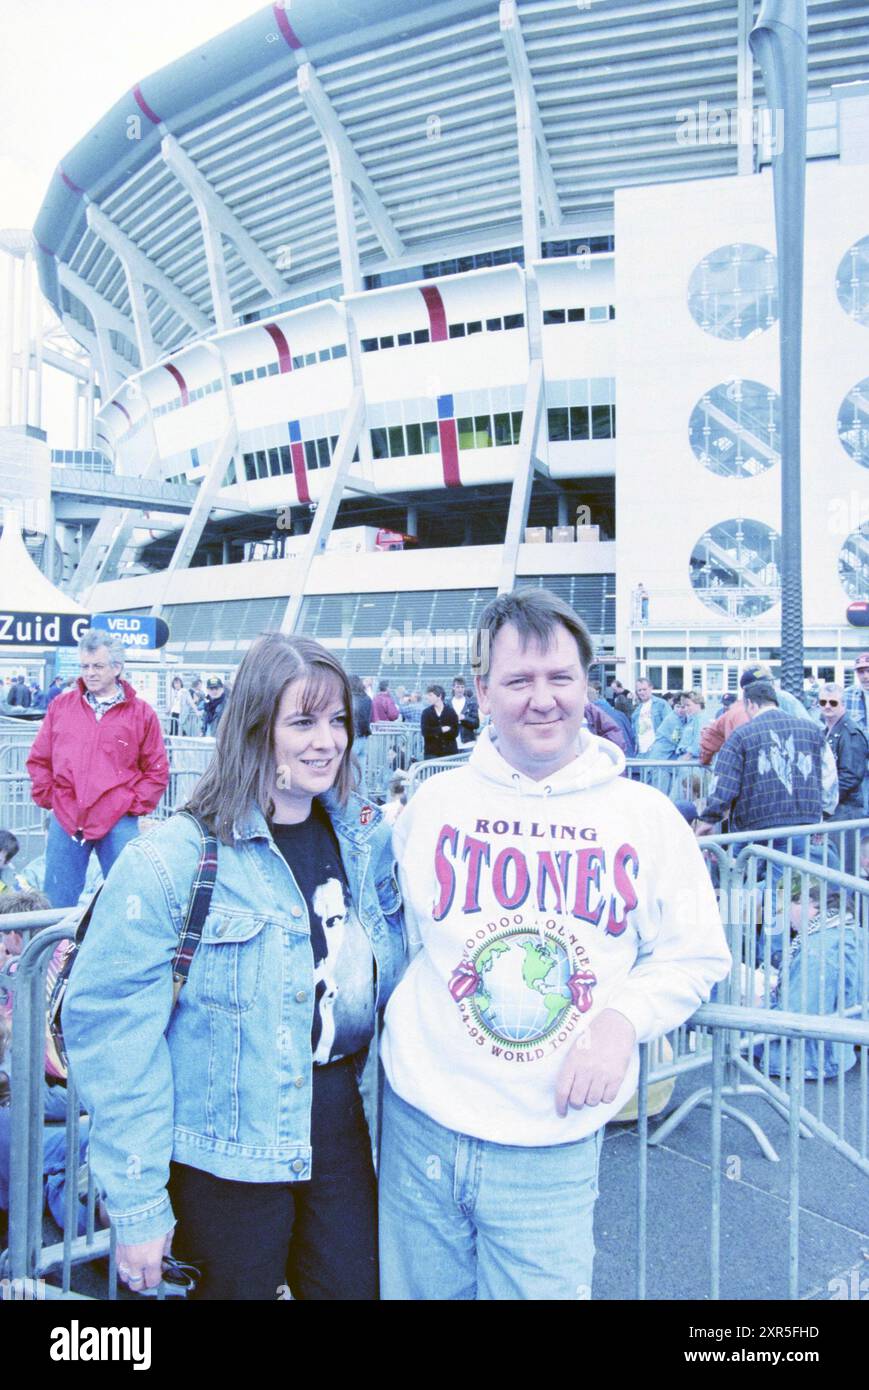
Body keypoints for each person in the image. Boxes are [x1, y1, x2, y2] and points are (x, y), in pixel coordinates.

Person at [378, 587, 730, 1300]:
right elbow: (401, 943)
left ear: (586, 685)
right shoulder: (434, 805)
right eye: (518, 681)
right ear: (482, 691)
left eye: (560, 677)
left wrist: (621, 1020)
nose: (542, 700)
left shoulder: (644, 816)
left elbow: (695, 954)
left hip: (549, 1148)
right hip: (419, 1131)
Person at [62, 633, 406, 1300]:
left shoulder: (370, 844)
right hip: (221, 1156)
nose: (327, 742)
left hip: (344, 1137)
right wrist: (138, 1204)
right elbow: (116, 1041)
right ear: (255, 727)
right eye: (302, 722)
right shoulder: (174, 859)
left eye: (337, 720)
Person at [25, 630, 169, 909]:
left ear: (117, 668)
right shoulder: (61, 707)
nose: (90, 673)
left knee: (127, 897)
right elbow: (39, 758)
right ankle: (56, 940)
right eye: (85, 666)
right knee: (57, 900)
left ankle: (122, 940)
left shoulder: (141, 713)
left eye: (98, 666)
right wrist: (50, 797)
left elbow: (157, 768)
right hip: (66, 815)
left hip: (118, 817)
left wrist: (132, 805)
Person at [694, 681, 835, 843]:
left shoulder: (741, 735)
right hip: (804, 823)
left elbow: (724, 783)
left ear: (750, 704)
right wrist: (824, 814)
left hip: (756, 826)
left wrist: (710, 818)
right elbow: (829, 777)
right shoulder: (812, 730)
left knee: (753, 860)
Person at [700, 665, 813, 766]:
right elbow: (809, 730)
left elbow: (710, 737)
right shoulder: (740, 709)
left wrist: (705, 760)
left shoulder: (782, 699)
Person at [818, 682, 868, 875]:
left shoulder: (850, 732)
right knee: (833, 864)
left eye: (833, 702)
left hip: (846, 810)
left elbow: (851, 776)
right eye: (823, 702)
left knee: (845, 867)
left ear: (843, 705)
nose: (827, 706)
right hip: (834, 809)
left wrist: (826, 801)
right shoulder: (825, 732)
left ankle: (849, 896)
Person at [843, 652, 869, 810]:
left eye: (868, 670)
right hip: (858, 763)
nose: (865, 676)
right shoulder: (846, 696)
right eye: (861, 672)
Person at [631, 677, 669, 757]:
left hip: (658, 752)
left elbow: (670, 727)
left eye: (644, 689)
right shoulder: (636, 711)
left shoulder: (661, 704)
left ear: (651, 688)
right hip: (641, 752)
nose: (642, 692)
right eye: (639, 690)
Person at [420, 684, 459, 759]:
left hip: (449, 753)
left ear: (439, 696)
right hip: (431, 753)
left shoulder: (451, 712)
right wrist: (441, 729)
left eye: (430, 695)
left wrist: (448, 730)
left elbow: (455, 732)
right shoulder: (426, 712)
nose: (428, 697)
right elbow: (424, 731)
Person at [447, 676, 480, 749]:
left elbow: (476, 723)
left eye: (462, 687)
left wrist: (464, 718)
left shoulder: (471, 703)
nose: (460, 689)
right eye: (458, 687)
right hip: (451, 743)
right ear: (453, 687)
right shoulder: (447, 704)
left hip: (468, 743)